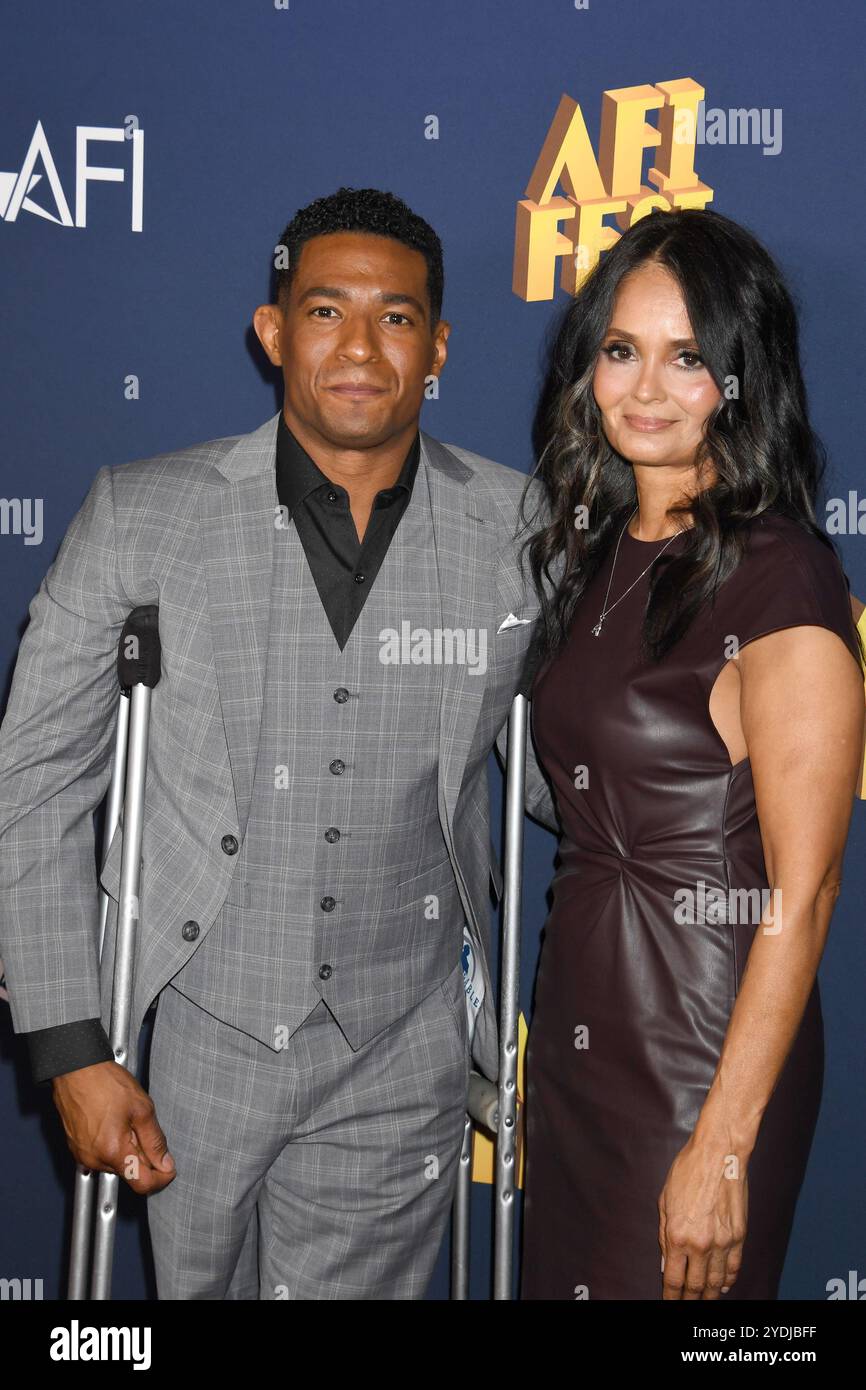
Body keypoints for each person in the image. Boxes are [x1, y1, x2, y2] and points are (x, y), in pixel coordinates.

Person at [0, 186, 557, 1299]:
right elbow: (32, 782)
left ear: (438, 345)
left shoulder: (519, 530)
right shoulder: (142, 514)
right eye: (324, 311)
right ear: (272, 332)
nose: (359, 345)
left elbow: (560, 772)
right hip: (205, 1031)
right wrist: (69, 1046)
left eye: (396, 318)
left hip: (400, 1041)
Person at [517, 207, 865, 1300]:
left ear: (741, 378)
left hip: (699, 1062)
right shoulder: (597, 553)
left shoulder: (780, 576)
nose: (645, 388)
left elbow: (800, 894)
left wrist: (720, 1144)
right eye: (620, 351)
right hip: (579, 1041)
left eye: (688, 358)